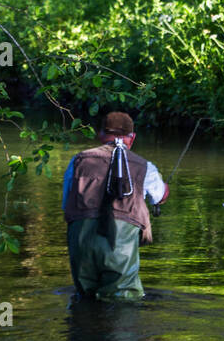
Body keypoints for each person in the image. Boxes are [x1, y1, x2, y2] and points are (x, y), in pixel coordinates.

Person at [62, 110, 169, 300]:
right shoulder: (146, 167)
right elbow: (159, 196)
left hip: (81, 239)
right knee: (123, 303)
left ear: (101, 134)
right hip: (121, 244)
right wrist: (165, 190)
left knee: (84, 300)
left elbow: (66, 203)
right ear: (132, 137)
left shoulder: (77, 161)